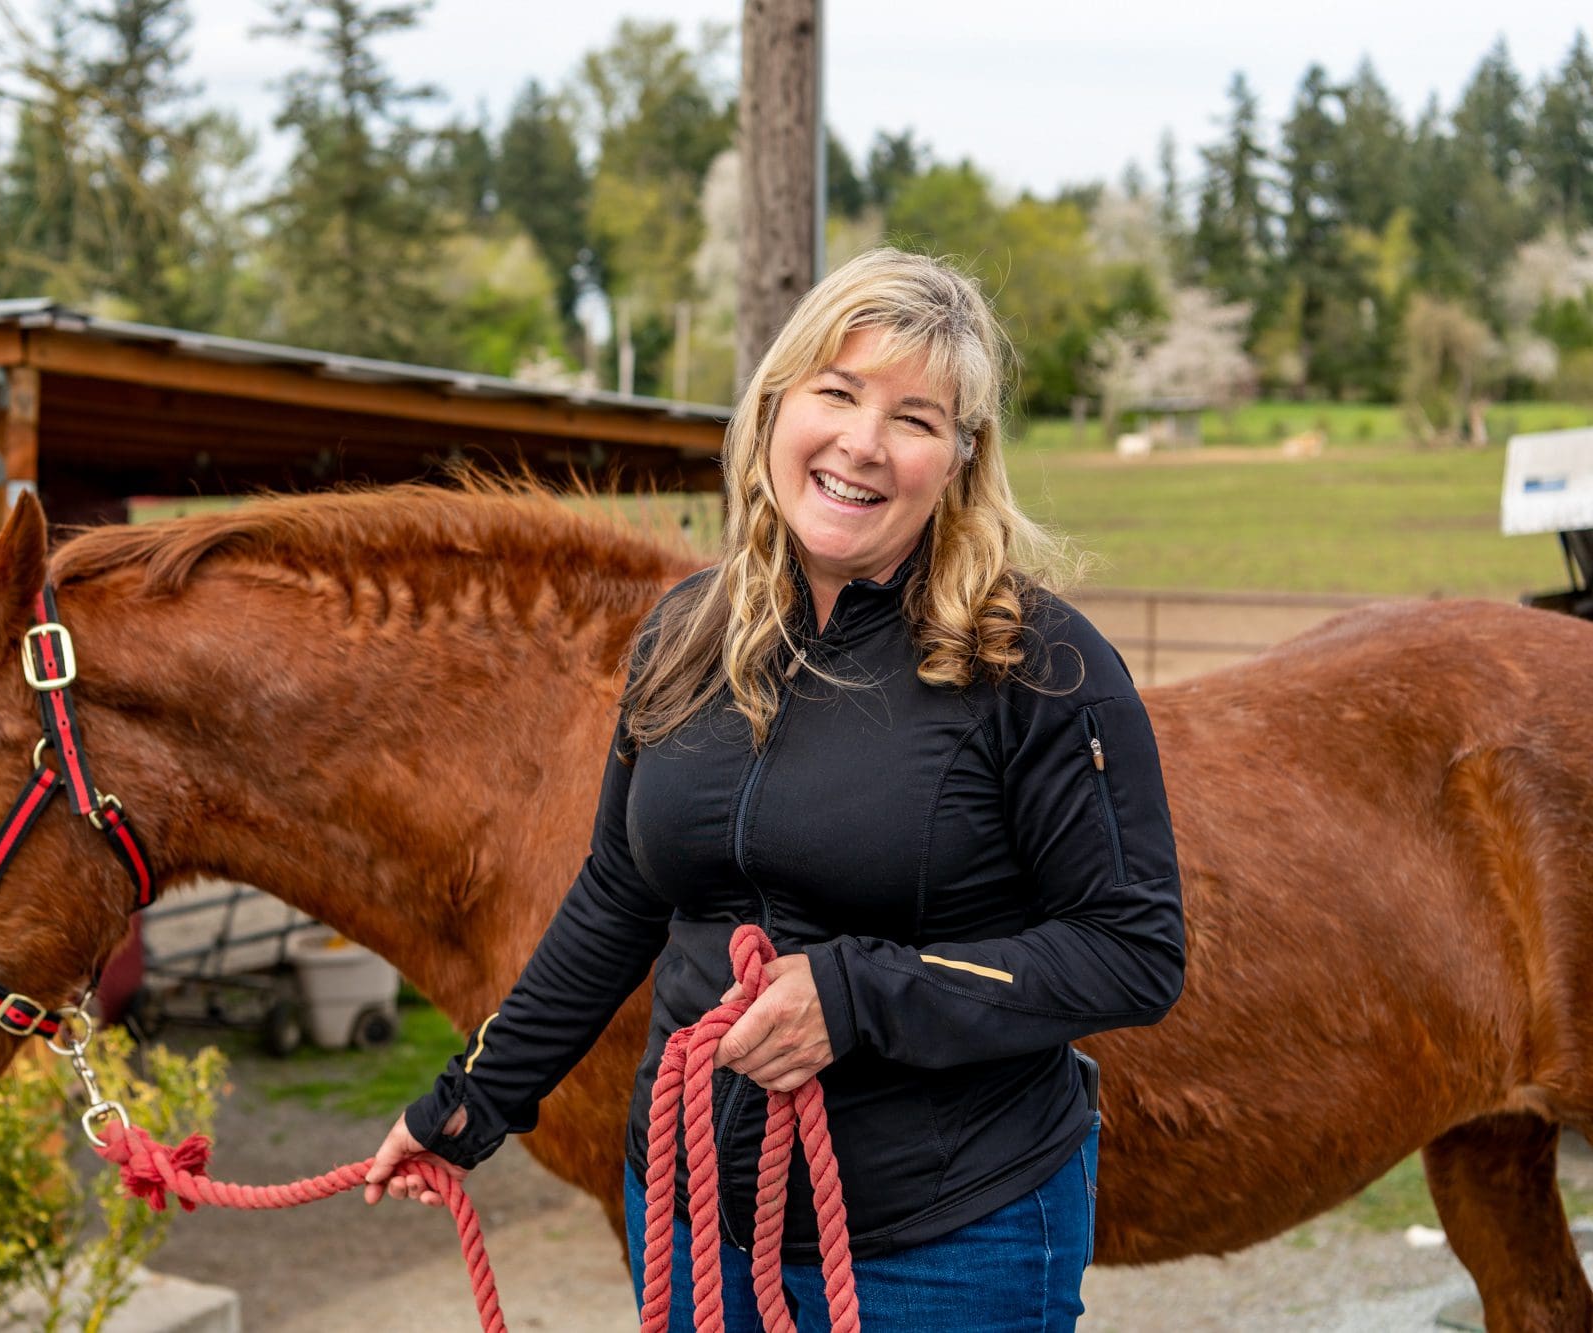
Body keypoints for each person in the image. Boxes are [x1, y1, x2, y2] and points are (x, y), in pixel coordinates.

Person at [363, 247, 1186, 1331]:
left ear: (958, 458)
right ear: (772, 410)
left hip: (943, 1241)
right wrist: (473, 1098)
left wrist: (855, 997)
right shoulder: (684, 632)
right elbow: (620, 890)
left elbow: (1131, 950)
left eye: (914, 417)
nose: (861, 442)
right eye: (835, 393)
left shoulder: (1035, 666)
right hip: (692, 1215)